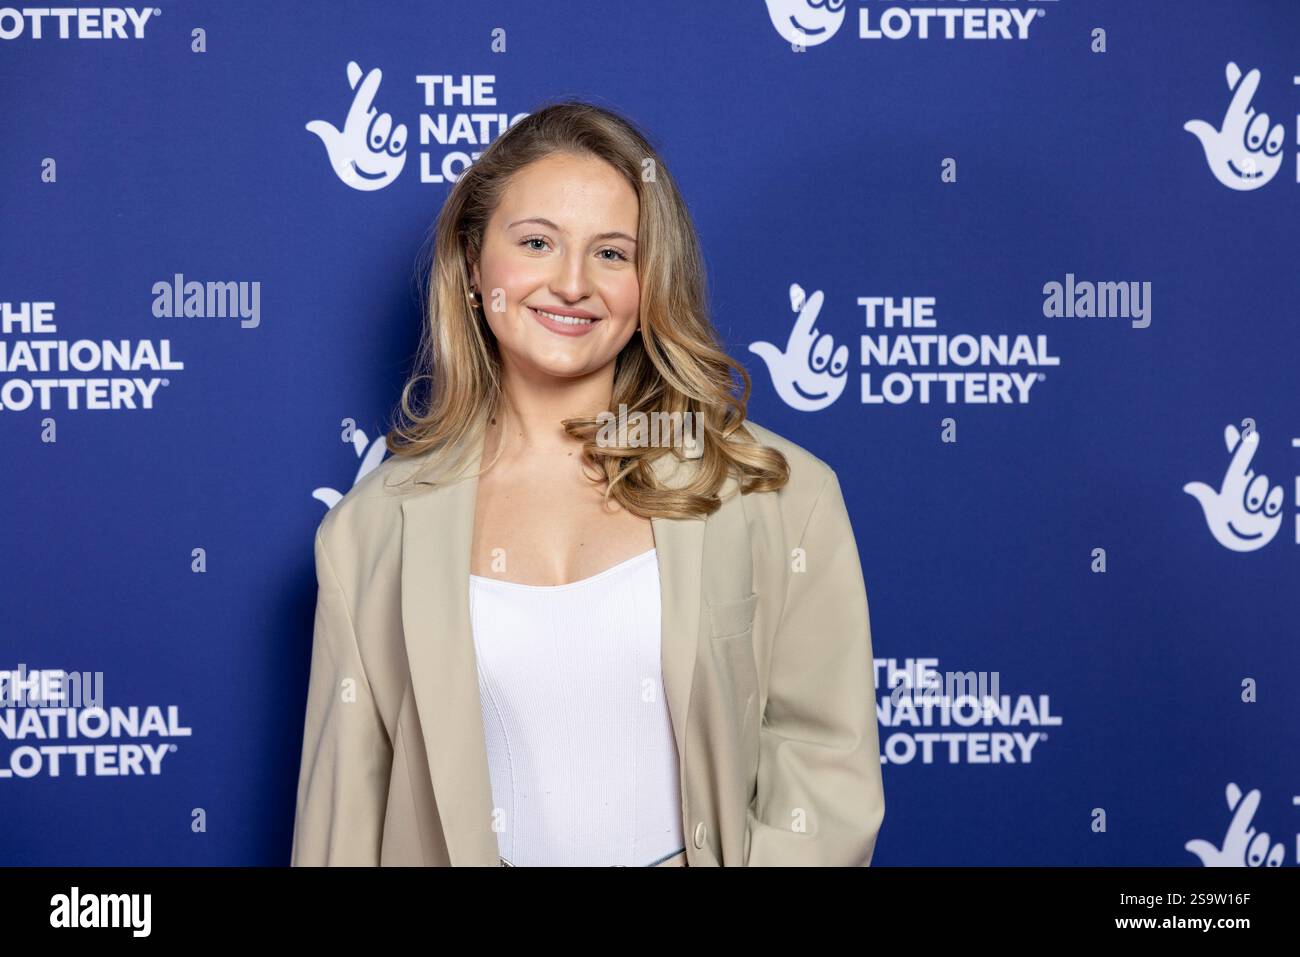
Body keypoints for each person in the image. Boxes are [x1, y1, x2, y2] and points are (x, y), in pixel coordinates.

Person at [290, 99, 884, 867]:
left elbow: (827, 773)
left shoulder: (775, 492)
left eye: (612, 253)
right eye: (537, 242)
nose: (573, 284)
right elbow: (343, 828)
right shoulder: (368, 535)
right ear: (474, 266)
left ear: (649, 283)